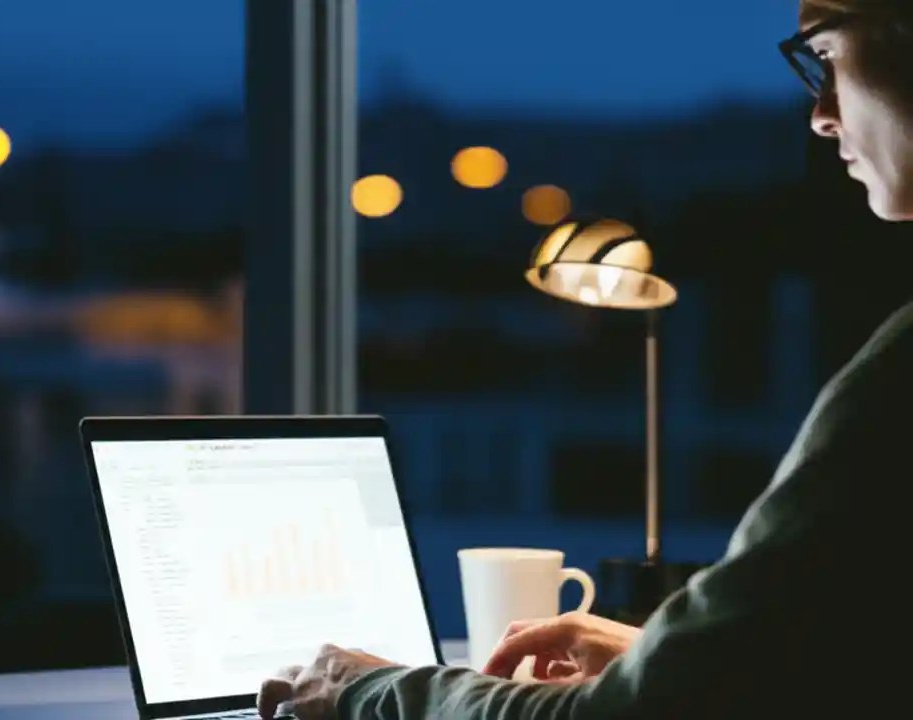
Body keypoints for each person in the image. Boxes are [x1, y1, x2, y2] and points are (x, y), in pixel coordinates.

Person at [258, 1, 913, 717]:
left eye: (826, 56)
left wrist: (368, 691)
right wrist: (671, 656)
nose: (821, 114)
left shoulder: (894, 386)